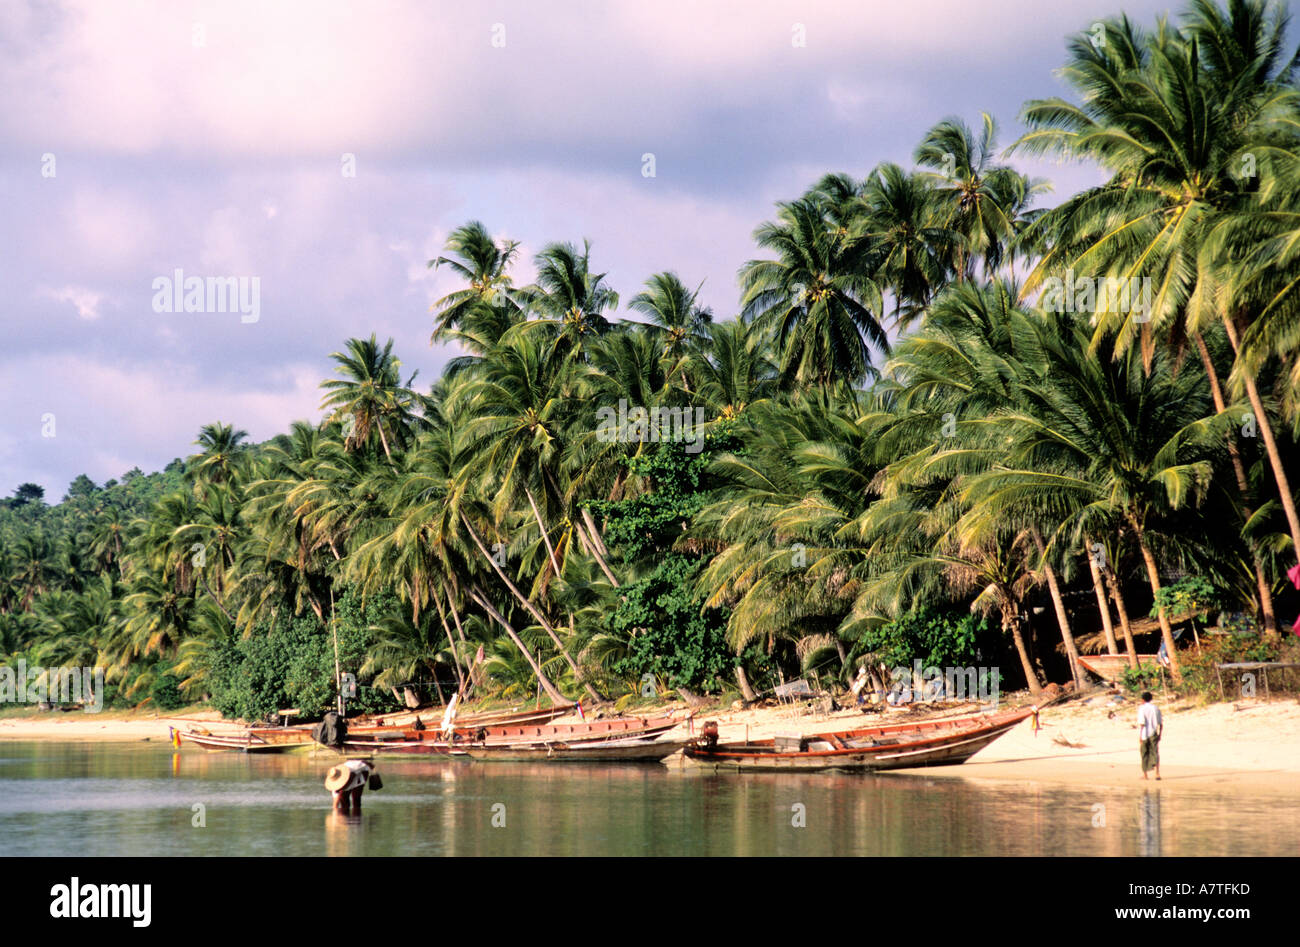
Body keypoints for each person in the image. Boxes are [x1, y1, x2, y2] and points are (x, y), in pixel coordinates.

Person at [1137, 691, 1162, 780]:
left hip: (1145, 734)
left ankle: (1145, 775)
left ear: (1143, 699)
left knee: (1144, 753)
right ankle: (1157, 773)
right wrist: (1160, 734)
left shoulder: (1142, 709)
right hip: (1154, 733)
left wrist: (1140, 736)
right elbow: (1160, 723)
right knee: (1155, 752)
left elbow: (1142, 724)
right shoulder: (1156, 708)